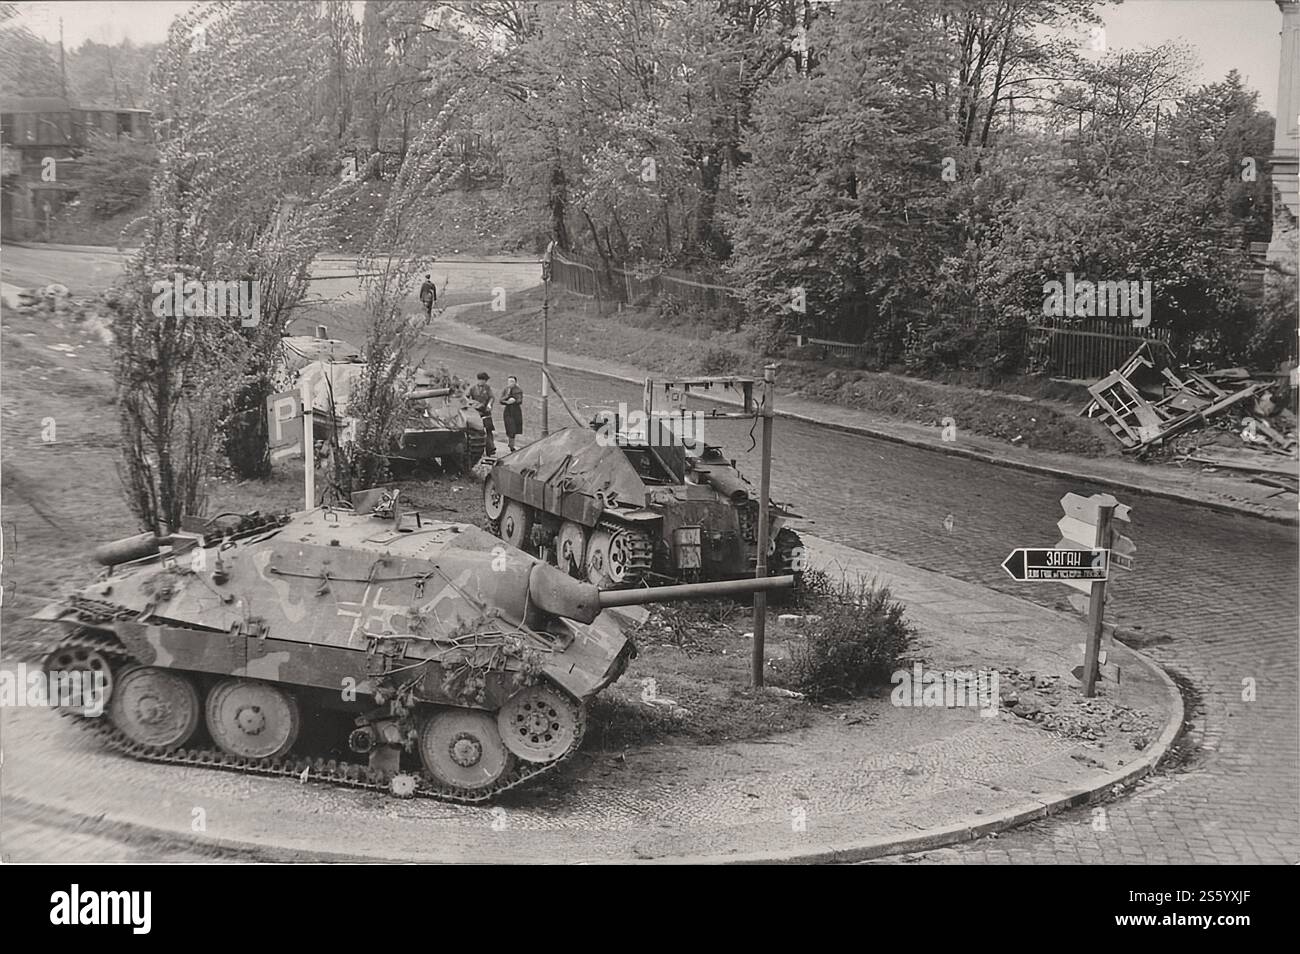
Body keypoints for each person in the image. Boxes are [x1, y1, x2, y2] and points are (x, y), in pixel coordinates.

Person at [468, 371, 496, 457]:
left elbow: (492, 397)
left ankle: (490, 449)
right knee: (477, 431)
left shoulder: (487, 389)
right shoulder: (473, 388)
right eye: (480, 380)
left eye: (483, 380)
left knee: (488, 430)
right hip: (475, 412)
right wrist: (470, 403)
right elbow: (467, 396)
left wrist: (489, 405)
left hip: (485, 412)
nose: (481, 382)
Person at [501, 375, 524, 452]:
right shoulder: (506, 390)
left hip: (515, 411)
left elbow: (520, 400)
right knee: (509, 427)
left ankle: (511, 445)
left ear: (515, 382)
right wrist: (507, 400)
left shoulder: (518, 390)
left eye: (512, 381)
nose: (510, 383)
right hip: (508, 410)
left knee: (514, 429)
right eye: (509, 381)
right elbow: (501, 400)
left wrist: (514, 400)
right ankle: (510, 444)